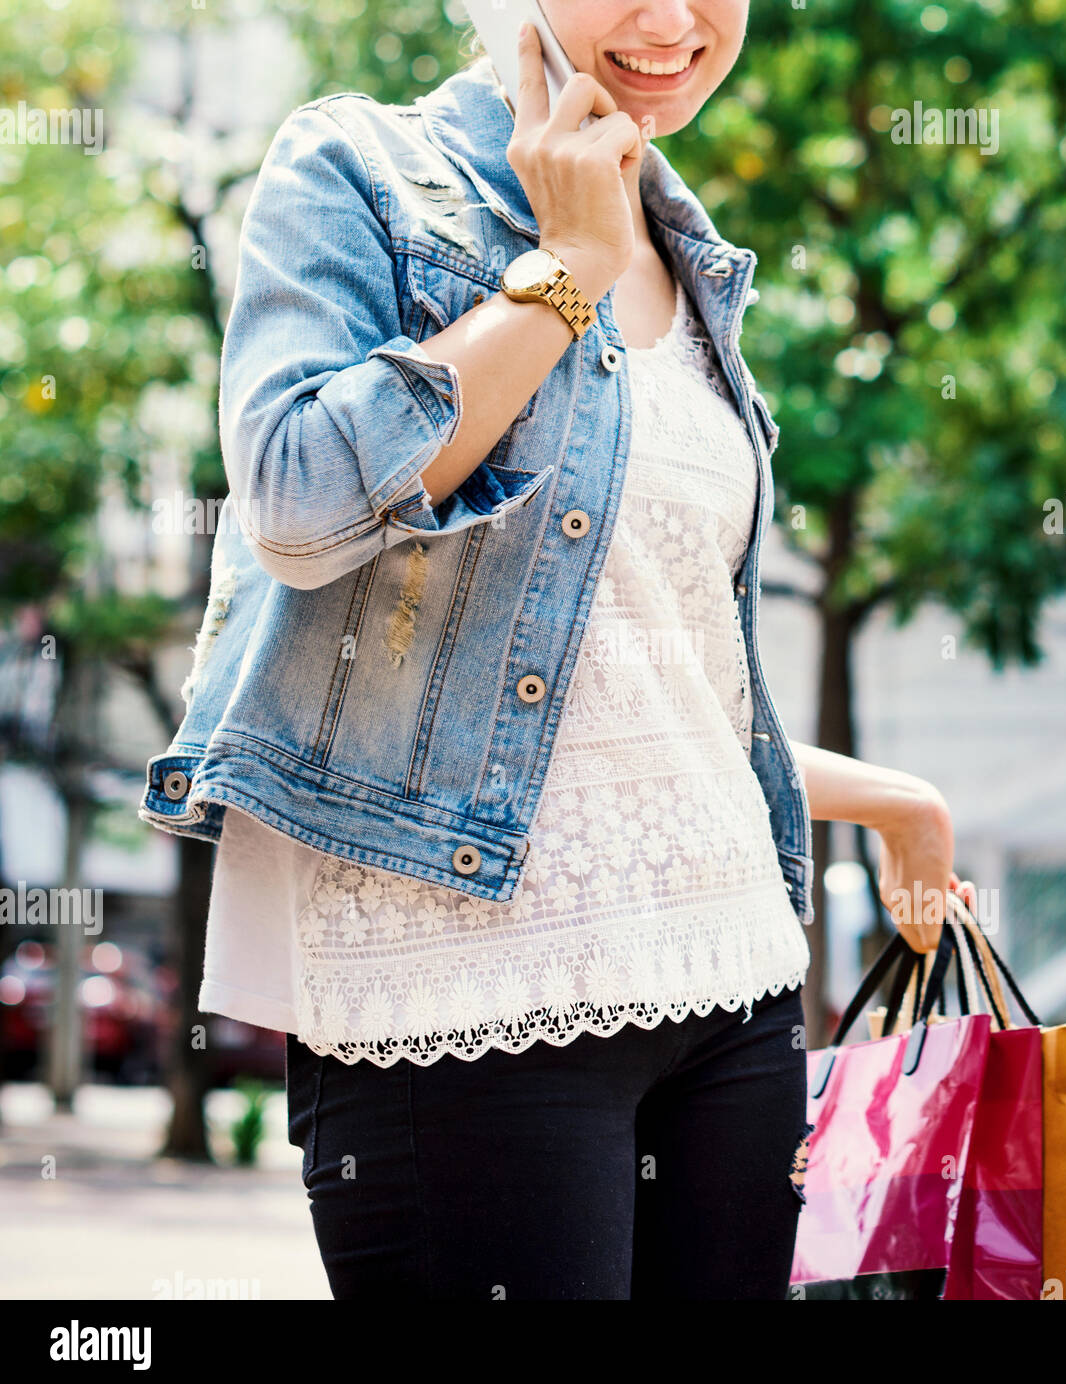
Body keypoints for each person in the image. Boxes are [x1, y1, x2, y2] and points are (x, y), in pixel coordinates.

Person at [139, 2, 978, 1300]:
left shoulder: (690, 249)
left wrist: (900, 803)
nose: (674, 19)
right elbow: (296, 500)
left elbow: (641, 690)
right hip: (464, 997)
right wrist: (564, 266)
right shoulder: (358, 169)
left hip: (736, 983)